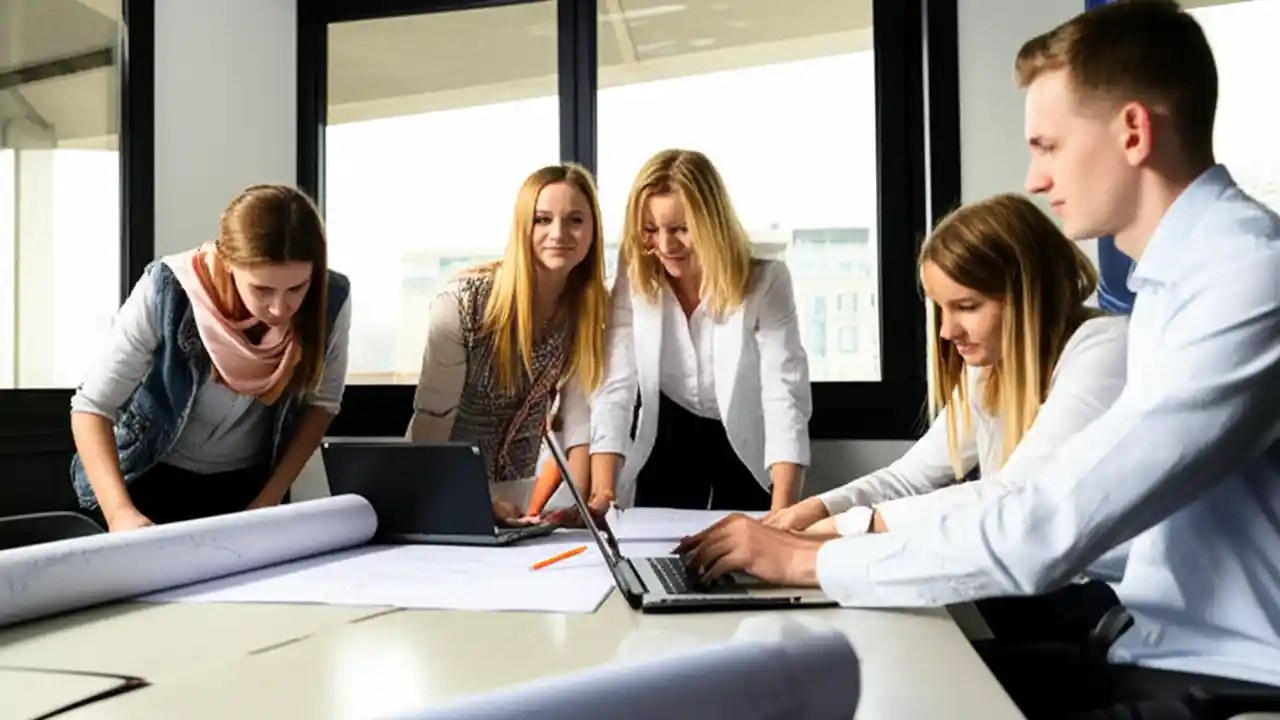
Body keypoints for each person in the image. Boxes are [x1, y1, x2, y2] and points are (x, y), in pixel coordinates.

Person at [676, 3, 1280, 718]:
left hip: (1227, 680)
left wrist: (805, 558)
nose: (1035, 177)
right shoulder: (1174, 286)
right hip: (1141, 648)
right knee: (854, 685)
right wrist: (809, 532)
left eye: (1048, 145)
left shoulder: (1246, 280)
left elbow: (1043, 524)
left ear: (1133, 133)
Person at [765, 193, 1129, 641]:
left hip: (1101, 605)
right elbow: (909, 479)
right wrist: (808, 513)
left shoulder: (1105, 348)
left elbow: (1010, 497)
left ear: (1027, 292)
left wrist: (844, 528)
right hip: (1031, 591)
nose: (946, 331)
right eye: (941, 308)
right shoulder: (991, 366)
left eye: (967, 306)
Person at [70, 184, 351, 532]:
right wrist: (119, 514)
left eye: (296, 289)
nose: (280, 308)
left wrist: (268, 500)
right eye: (262, 290)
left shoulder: (331, 298)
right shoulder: (168, 288)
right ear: (229, 263)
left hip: (246, 488)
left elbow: (322, 404)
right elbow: (92, 407)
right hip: (146, 480)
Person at [588, 149, 812, 514]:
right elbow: (616, 386)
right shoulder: (635, 279)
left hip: (744, 429)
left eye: (680, 229)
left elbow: (783, 394)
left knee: (748, 552)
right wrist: (602, 495)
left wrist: (784, 511)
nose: (665, 245)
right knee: (657, 545)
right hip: (671, 430)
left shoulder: (767, 282)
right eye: (651, 230)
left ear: (712, 223)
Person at [407, 163, 608, 524]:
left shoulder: (588, 311)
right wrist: (466, 501)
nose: (559, 233)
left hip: (517, 491)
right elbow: (429, 425)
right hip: (444, 486)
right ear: (522, 227)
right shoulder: (463, 305)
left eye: (575, 220)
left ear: (593, 230)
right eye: (543, 219)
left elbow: (578, 415)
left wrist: (581, 501)